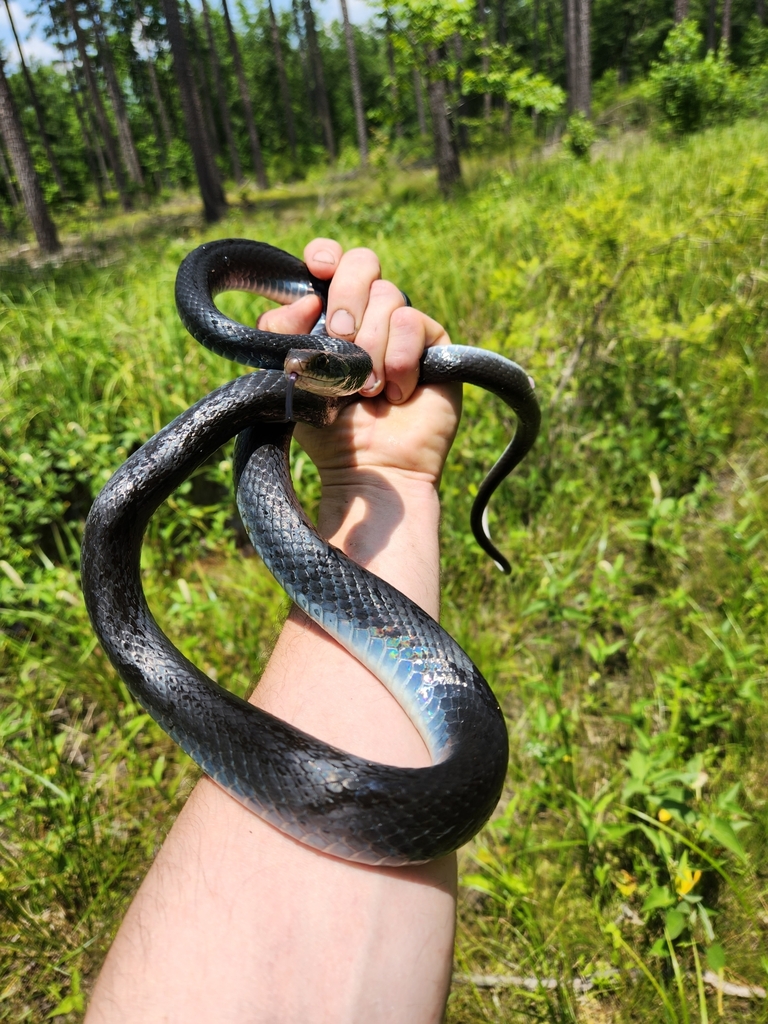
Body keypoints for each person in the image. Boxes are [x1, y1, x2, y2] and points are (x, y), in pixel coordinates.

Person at [85, 238, 463, 1024]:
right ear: (297, 374)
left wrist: (383, 479)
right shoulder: (279, 383)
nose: (337, 388)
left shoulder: (289, 386)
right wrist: (367, 466)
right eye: (320, 380)